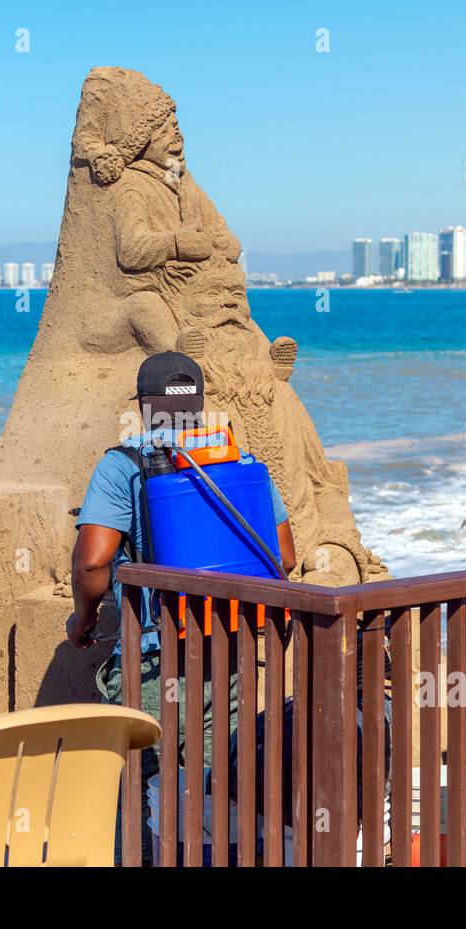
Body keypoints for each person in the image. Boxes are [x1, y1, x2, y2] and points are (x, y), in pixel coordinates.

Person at [66, 350, 295, 863]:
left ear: (145, 405)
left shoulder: (121, 464)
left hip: (154, 659)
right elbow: (284, 555)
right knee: (214, 795)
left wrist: (82, 620)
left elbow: (92, 563)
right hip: (229, 652)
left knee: (145, 791)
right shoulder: (238, 461)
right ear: (198, 403)